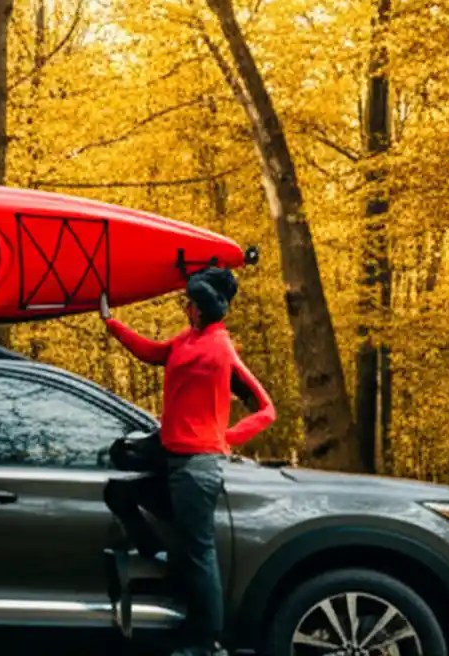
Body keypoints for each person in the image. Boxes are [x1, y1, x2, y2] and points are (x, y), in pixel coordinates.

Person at [99, 266, 276, 656]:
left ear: (205, 308)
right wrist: (112, 323)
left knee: (199, 552)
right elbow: (150, 352)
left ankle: (206, 641)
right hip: (170, 456)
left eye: (191, 303)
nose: (185, 308)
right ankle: (160, 559)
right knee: (120, 494)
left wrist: (224, 438)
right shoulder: (186, 340)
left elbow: (266, 410)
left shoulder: (222, 349)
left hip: (197, 467)